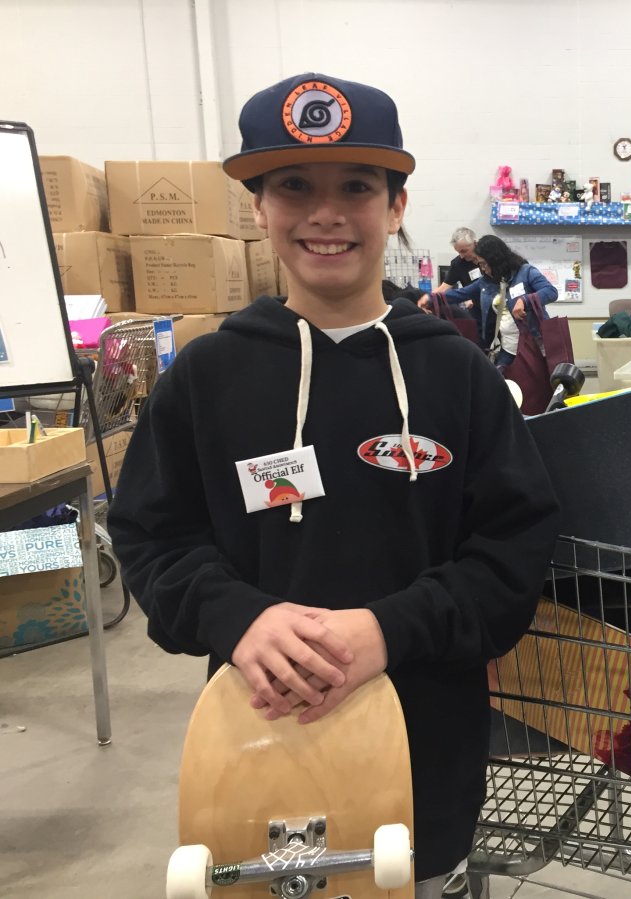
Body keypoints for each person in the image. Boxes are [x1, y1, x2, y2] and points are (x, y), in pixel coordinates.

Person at [107, 73, 561, 898]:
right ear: (257, 207)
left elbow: (512, 551)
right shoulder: (208, 376)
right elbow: (151, 539)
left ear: (395, 206)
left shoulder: (455, 373)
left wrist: (387, 629)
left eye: (357, 186)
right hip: (250, 758)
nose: (325, 214)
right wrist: (238, 616)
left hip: (425, 768)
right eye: (293, 187)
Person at [433, 234, 558, 357]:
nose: (482, 269)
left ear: (495, 260)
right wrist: (430, 299)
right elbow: (459, 294)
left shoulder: (526, 271)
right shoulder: (486, 282)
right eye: (480, 264)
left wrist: (525, 301)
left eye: (484, 264)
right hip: (506, 347)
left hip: (534, 343)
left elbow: (551, 291)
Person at [436, 226, 481, 291]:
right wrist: (428, 297)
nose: (462, 256)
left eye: (464, 251)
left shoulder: (489, 258)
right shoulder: (457, 264)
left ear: (475, 243)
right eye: (459, 252)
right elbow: (444, 287)